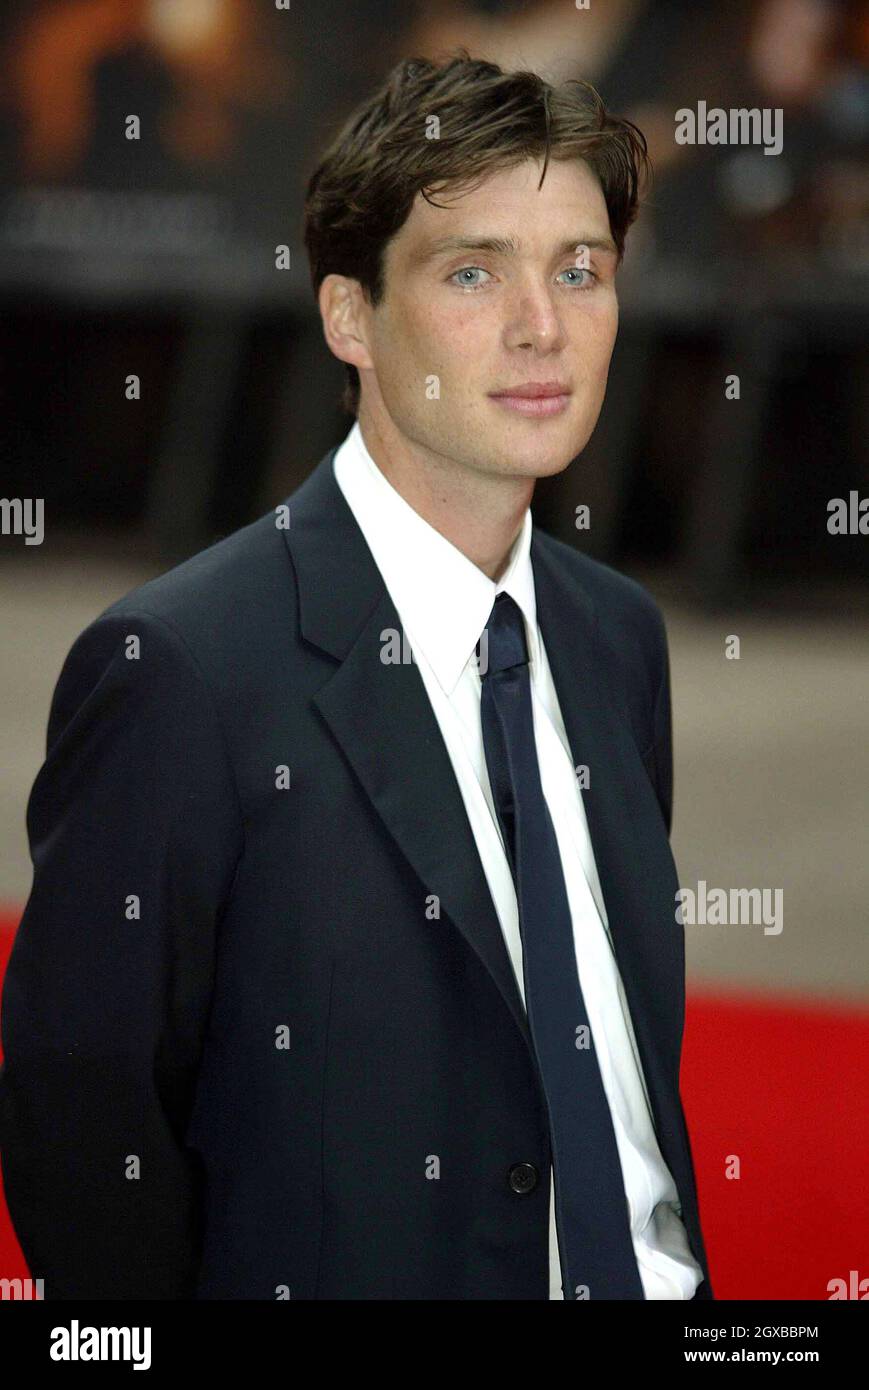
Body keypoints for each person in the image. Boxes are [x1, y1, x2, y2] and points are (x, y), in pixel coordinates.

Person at [0, 53, 714, 1300]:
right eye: (472, 270)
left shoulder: (615, 639)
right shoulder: (181, 669)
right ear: (348, 318)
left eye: (579, 270)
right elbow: (87, 1146)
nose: (541, 325)